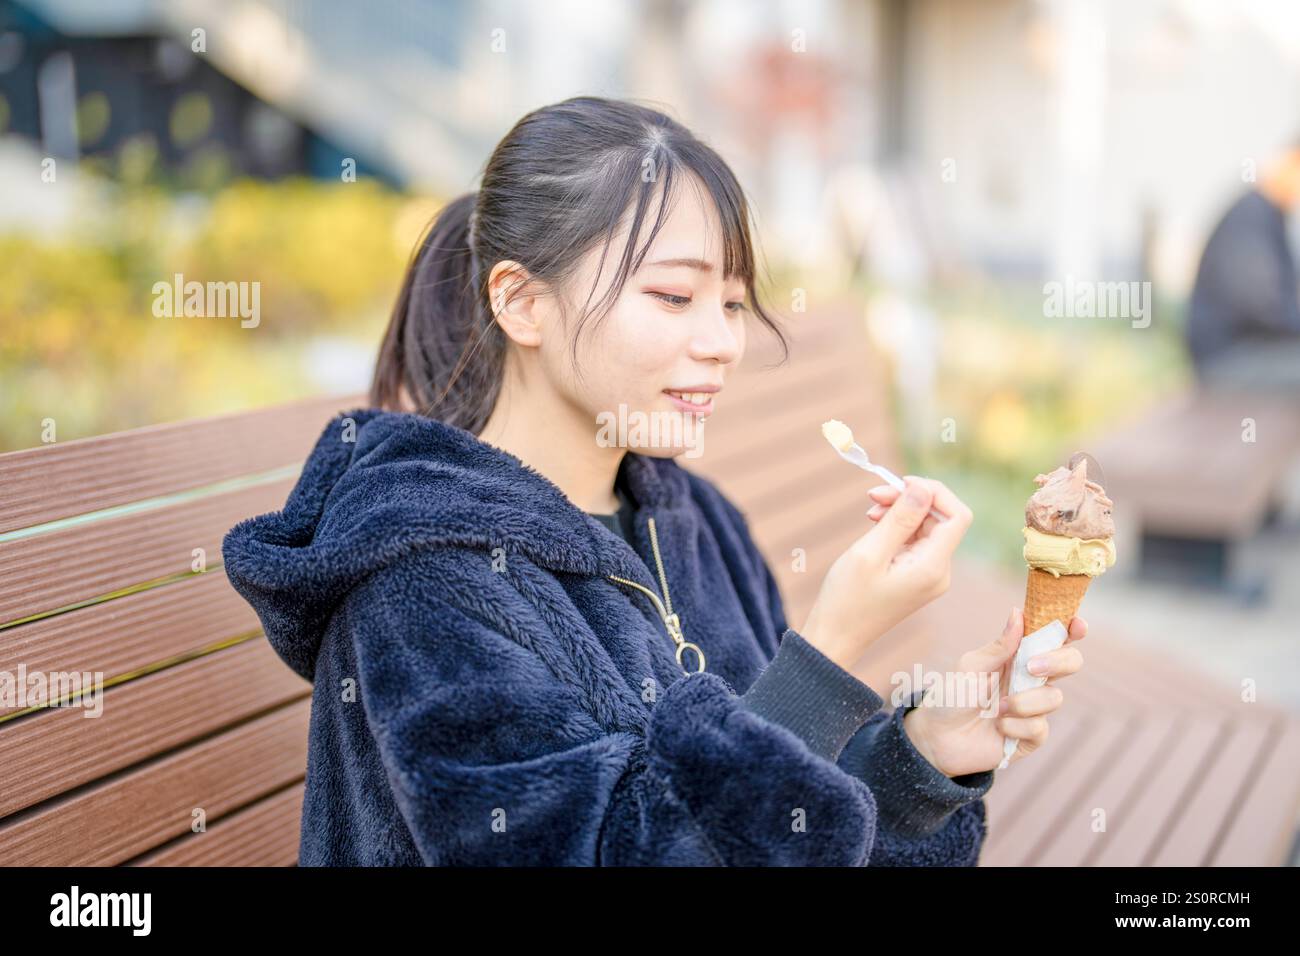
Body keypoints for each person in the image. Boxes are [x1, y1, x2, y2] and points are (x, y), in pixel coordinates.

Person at [222, 96, 1086, 866]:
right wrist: (823, 658)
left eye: (735, 303)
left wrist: (921, 759)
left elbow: (783, 819)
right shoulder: (425, 584)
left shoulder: (689, 519)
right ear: (521, 302)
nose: (722, 341)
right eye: (675, 297)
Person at [1186, 144, 1300, 392]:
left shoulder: (1269, 217)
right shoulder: (1251, 217)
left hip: (1248, 351)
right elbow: (1266, 307)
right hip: (1225, 359)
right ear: (1292, 162)